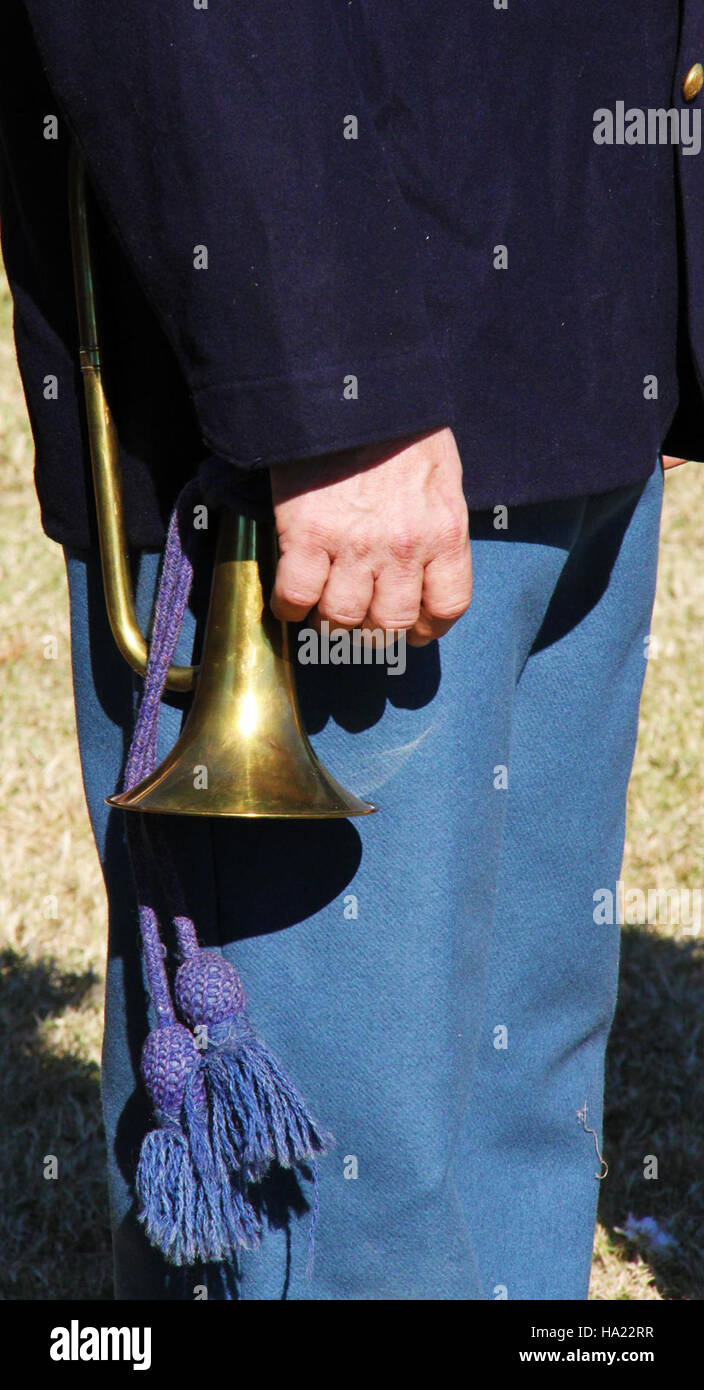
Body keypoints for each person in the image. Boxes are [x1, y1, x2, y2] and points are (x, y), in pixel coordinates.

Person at [0, 1, 700, 1300]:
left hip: (574, 325)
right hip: (331, 408)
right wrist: (326, 376)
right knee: (339, 1210)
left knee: (517, 1133)